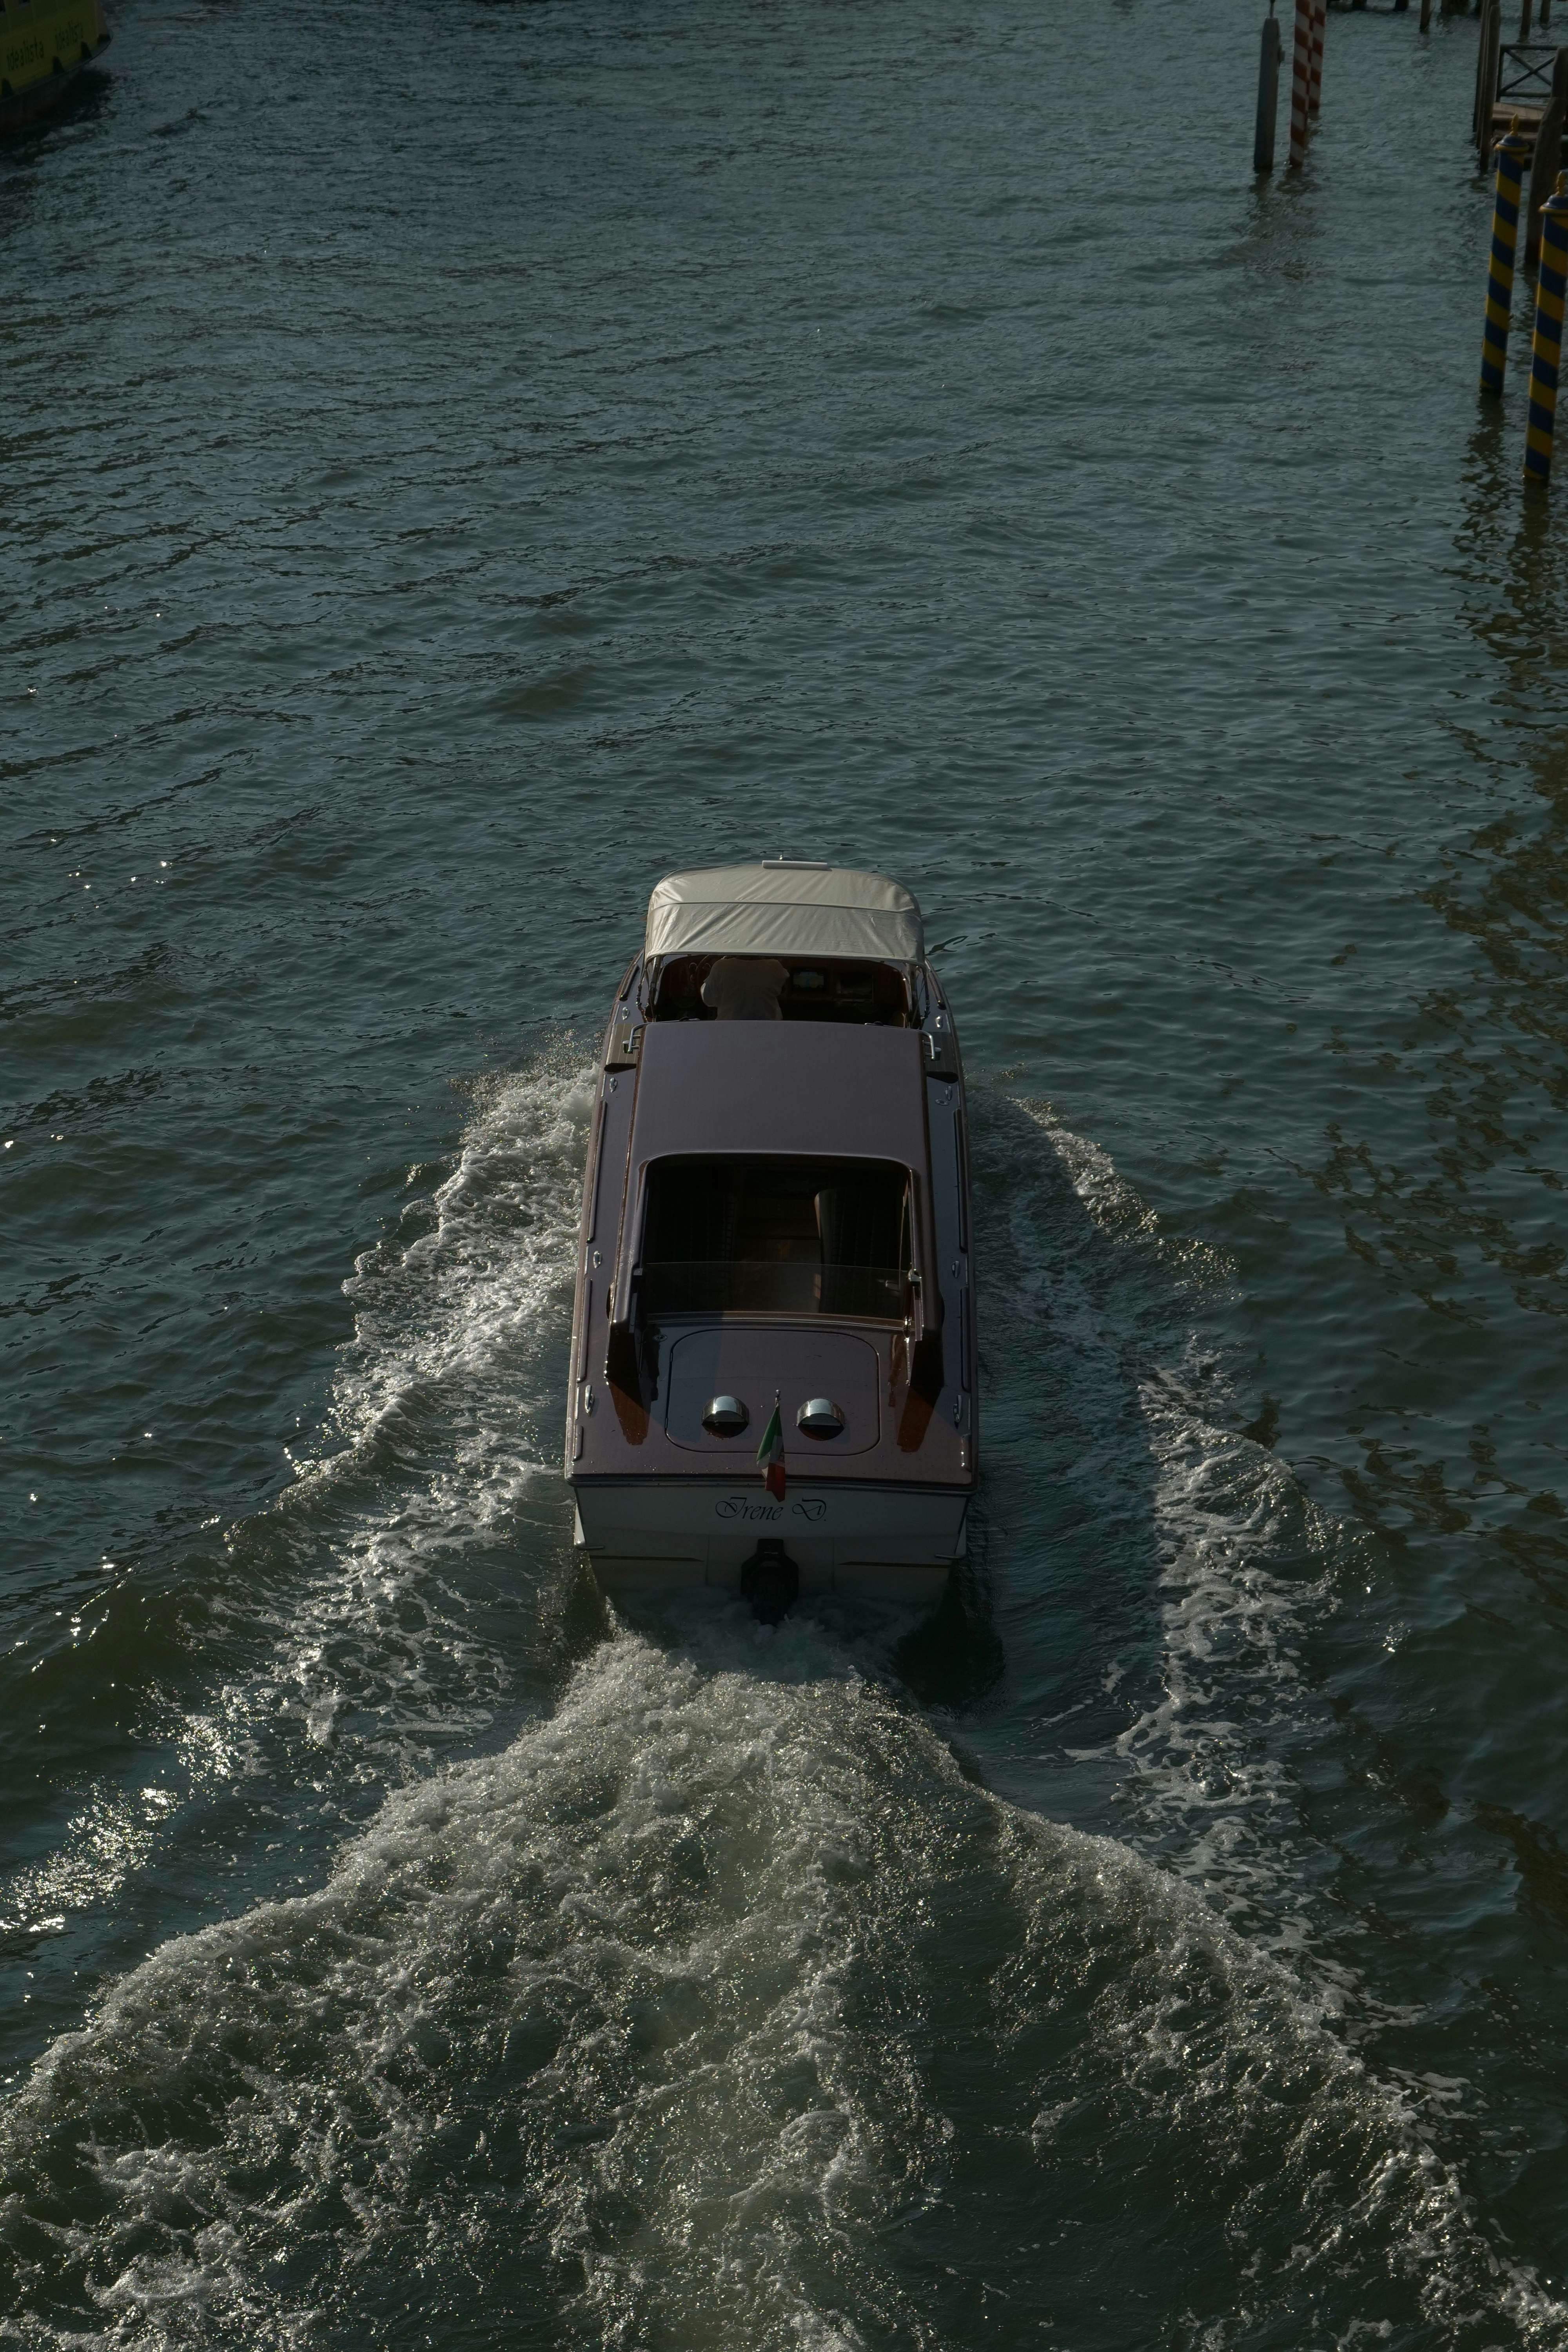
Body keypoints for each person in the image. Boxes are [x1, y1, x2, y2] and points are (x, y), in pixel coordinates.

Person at [701, 956, 789, 1020]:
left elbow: (708, 1000)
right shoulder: (775, 967)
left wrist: (711, 977)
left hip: (728, 1026)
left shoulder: (721, 966)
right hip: (767, 1025)